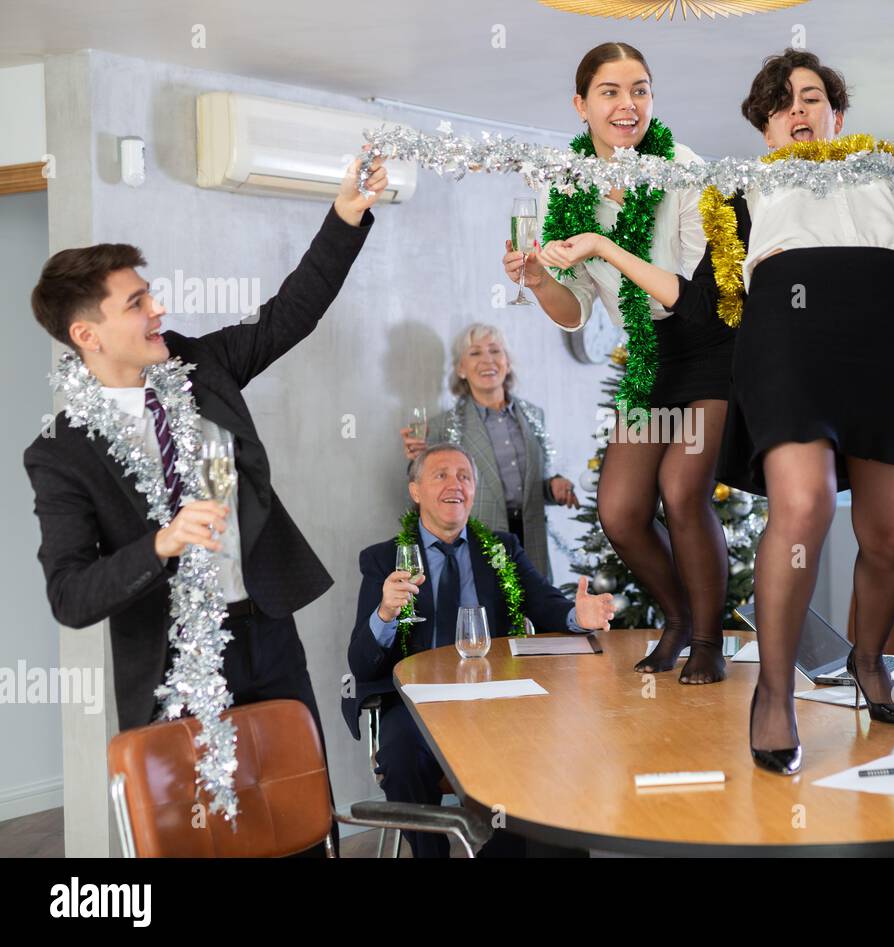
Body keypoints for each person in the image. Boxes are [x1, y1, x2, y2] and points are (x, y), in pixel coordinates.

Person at [540, 49, 894, 774]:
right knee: (798, 506)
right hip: (785, 350)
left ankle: (868, 661)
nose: (798, 111)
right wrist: (580, 250)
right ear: (765, 127)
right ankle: (771, 691)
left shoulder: (888, 172)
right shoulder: (738, 187)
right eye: (782, 103)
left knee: (889, 536)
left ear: (838, 113)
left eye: (812, 97)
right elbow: (698, 298)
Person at [24, 156, 386, 851]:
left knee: (302, 823)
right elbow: (70, 594)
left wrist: (344, 216)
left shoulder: (202, 366)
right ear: (86, 335)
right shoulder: (61, 453)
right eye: (136, 303)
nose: (158, 308)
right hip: (170, 665)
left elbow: (290, 313)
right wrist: (161, 543)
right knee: (208, 840)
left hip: (266, 633)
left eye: (150, 294)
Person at [503, 41, 735, 685]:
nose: (626, 104)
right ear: (581, 105)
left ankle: (710, 639)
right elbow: (574, 309)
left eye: (639, 89)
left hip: (708, 345)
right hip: (648, 355)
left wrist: (604, 244)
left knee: (684, 491)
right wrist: (536, 277)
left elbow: (690, 295)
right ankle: (681, 617)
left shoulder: (683, 171)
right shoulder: (566, 184)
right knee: (621, 511)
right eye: (610, 91)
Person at [343, 442, 616, 857]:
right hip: (418, 703)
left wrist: (580, 615)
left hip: (497, 700)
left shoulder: (501, 548)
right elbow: (362, 661)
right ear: (415, 490)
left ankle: (504, 850)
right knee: (400, 758)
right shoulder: (384, 560)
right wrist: (384, 612)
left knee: (544, 746)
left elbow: (546, 605)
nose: (455, 485)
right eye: (441, 475)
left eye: (465, 477)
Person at [399, 322, 576, 582]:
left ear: (507, 361)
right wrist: (417, 461)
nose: (487, 360)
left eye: (495, 351)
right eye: (475, 353)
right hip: (477, 543)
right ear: (461, 368)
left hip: (531, 542)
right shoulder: (441, 427)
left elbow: (528, 487)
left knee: (538, 617)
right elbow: (423, 496)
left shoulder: (534, 416)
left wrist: (553, 488)